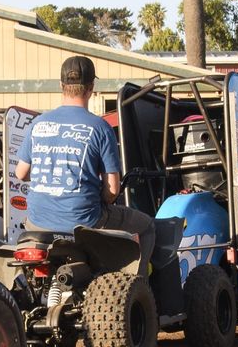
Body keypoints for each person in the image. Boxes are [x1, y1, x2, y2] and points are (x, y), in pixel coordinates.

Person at [14, 56, 158, 261]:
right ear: (91, 87)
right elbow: (112, 191)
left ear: (61, 85)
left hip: (37, 223)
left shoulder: (38, 124)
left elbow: (21, 173)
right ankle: (139, 281)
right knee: (147, 226)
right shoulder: (100, 128)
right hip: (84, 221)